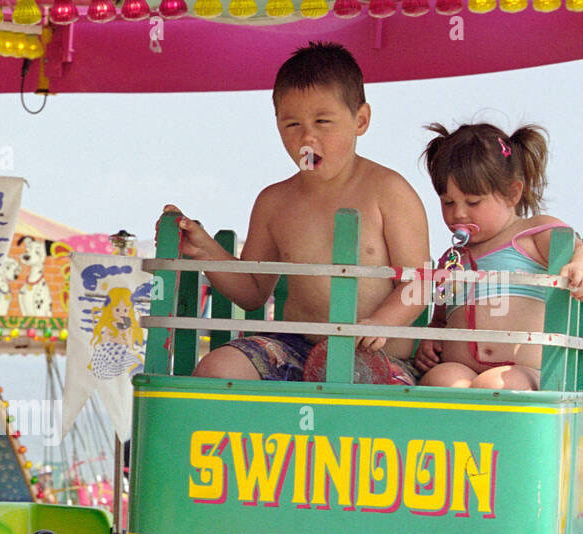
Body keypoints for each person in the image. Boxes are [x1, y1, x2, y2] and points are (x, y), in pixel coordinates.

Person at [167, 41, 430, 385]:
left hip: (378, 357)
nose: (307, 137)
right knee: (218, 369)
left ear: (360, 120)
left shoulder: (390, 191)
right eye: (292, 125)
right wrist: (205, 250)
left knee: (374, 404)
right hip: (295, 347)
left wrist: (382, 321)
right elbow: (253, 291)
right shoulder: (274, 202)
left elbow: (421, 282)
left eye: (323, 121)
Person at [413, 122, 583, 390]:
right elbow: (441, 318)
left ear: (513, 193)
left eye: (473, 202)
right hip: (461, 370)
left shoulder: (532, 233)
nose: (458, 214)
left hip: (522, 372)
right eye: (448, 202)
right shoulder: (452, 259)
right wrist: (431, 338)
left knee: (496, 386)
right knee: (440, 381)